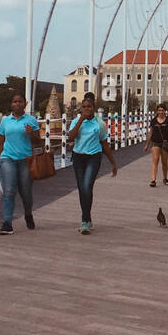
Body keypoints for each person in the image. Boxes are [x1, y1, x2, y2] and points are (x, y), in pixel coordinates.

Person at [66, 92, 118, 234]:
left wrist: (113, 163)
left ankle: (85, 220)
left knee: (87, 186)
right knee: (82, 189)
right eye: (84, 107)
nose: (86, 109)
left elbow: (105, 144)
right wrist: (81, 120)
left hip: (93, 157)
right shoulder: (76, 121)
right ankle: (87, 219)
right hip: (78, 157)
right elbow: (70, 137)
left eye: (89, 106)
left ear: (93, 107)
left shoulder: (99, 124)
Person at [0, 92, 38, 235]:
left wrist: (32, 133)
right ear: (11, 104)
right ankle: (7, 223)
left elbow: (38, 142)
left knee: (26, 193)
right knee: (9, 191)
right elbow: (1, 143)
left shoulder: (31, 120)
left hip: (26, 159)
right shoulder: (5, 121)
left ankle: (28, 213)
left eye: (20, 101)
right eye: (15, 101)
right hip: (8, 159)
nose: (17, 104)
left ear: (25, 104)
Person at [145, 103, 168, 187]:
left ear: (165, 111)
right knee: (155, 159)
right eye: (159, 110)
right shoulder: (153, 120)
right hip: (155, 142)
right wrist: (147, 144)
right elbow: (150, 133)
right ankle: (153, 180)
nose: (161, 112)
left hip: (165, 143)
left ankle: (165, 178)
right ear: (157, 111)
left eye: (162, 110)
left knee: (164, 162)